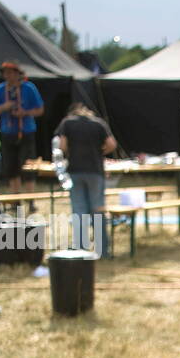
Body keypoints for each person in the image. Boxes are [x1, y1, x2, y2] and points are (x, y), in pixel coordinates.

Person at [56, 103, 116, 257]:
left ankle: (81, 249)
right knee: (98, 210)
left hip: (75, 170)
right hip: (95, 171)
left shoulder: (67, 123)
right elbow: (111, 144)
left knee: (79, 210)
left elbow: (61, 145)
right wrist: (99, 151)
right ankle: (102, 250)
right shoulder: (99, 124)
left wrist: (71, 151)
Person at [0, 61, 44, 192]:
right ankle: (16, 199)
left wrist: (25, 113)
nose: (7, 76)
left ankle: (30, 199)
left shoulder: (28, 88)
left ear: (17, 73)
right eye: (5, 73)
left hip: (26, 131)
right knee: (11, 167)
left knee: (28, 165)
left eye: (10, 73)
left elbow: (40, 110)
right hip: (8, 132)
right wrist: (4, 107)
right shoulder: (0, 89)